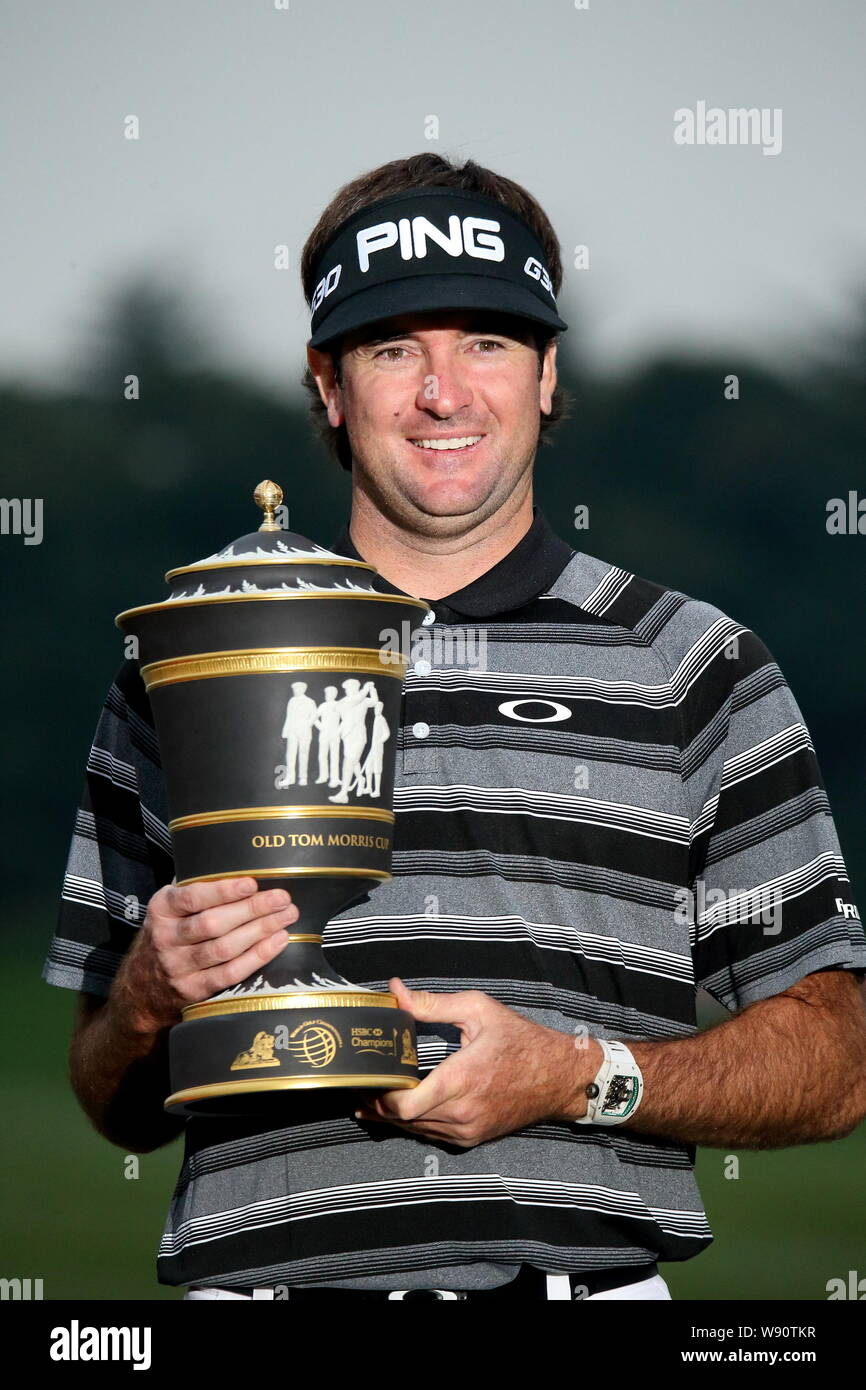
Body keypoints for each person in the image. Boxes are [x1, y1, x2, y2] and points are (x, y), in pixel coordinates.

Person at [42, 152, 866, 1303]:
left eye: (484, 340)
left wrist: (581, 1076)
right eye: (392, 348)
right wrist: (142, 997)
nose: (442, 392)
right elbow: (109, 1096)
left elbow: (836, 1055)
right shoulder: (185, 658)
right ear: (326, 385)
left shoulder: (697, 663)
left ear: (544, 374)